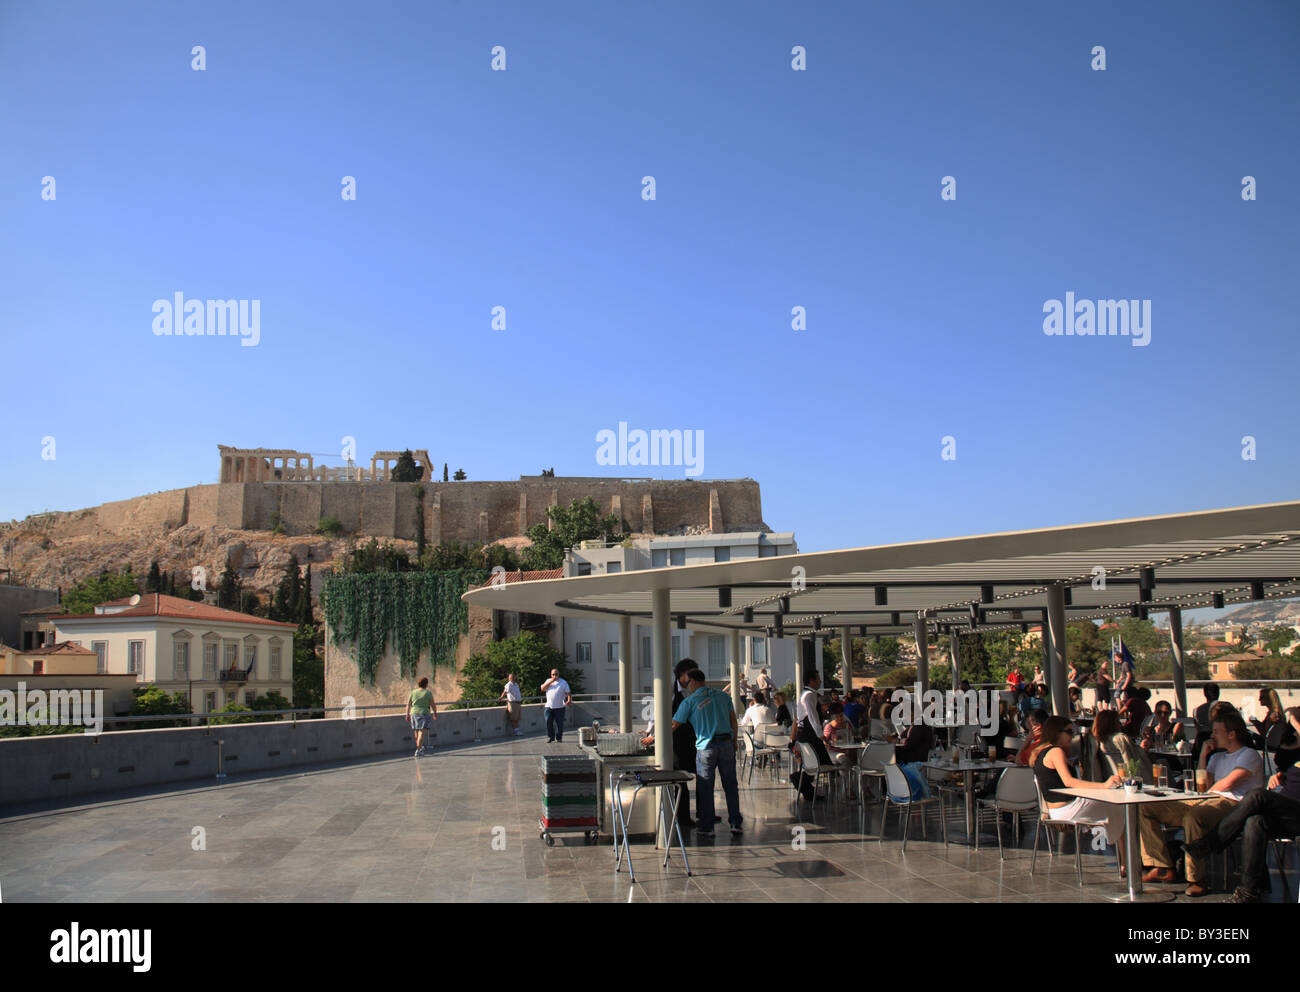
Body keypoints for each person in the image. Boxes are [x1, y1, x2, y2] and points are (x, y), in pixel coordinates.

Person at [1139, 708, 1265, 897]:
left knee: (1194, 817)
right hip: (1207, 798)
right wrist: (1204, 756)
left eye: (1216, 731)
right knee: (1146, 807)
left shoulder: (1248, 755)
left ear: (1231, 734)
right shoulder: (1217, 756)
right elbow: (1203, 783)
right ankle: (1162, 865)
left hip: (1232, 804)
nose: (1212, 735)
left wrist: (1205, 793)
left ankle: (1196, 879)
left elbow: (1228, 783)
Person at [1184, 707, 1300, 902]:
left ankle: (1210, 843)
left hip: (1296, 810)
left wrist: (1296, 721)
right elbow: (1291, 769)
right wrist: (1280, 775)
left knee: (1256, 796)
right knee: (1255, 821)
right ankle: (1249, 892)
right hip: (1285, 807)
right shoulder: (1292, 742)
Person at [1030, 716, 1127, 864]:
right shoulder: (1056, 751)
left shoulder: (1041, 752)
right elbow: (1069, 782)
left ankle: (1123, 859)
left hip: (1054, 810)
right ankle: (1127, 862)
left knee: (1114, 809)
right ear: (1057, 732)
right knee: (1119, 808)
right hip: (1067, 810)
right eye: (1069, 731)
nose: (1072, 735)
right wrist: (1104, 785)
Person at [672, 669, 743, 837]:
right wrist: (733, 741)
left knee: (705, 787)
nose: (687, 687)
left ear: (694, 682)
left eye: (688, 683)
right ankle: (735, 823)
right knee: (730, 785)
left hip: (706, 747)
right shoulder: (723, 696)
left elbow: (674, 724)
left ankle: (707, 826)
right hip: (726, 744)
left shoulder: (690, 701)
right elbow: (733, 720)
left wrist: (655, 737)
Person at [789, 669, 832, 801]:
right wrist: (820, 734)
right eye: (818, 678)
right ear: (812, 680)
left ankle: (807, 789)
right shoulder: (810, 695)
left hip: (804, 734)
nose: (820, 681)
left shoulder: (804, 694)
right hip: (810, 734)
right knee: (821, 762)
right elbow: (813, 716)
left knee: (812, 763)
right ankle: (800, 779)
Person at [1251, 688, 1300, 771]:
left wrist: (1255, 723)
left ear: (1269, 699)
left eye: (1262, 697)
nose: (1259, 700)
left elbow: (1265, 734)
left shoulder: (1273, 715)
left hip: (1271, 743)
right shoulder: (1276, 713)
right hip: (1275, 743)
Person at [406, 676, 437, 756]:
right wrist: (435, 713)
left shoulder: (413, 692)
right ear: (426, 684)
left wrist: (407, 714)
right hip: (424, 714)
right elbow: (433, 705)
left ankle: (420, 746)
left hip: (414, 713)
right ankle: (418, 750)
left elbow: (408, 704)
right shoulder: (428, 693)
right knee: (421, 733)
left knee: (416, 732)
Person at [540, 669, 571, 743]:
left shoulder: (563, 682)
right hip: (549, 706)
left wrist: (569, 700)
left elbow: (568, 692)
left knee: (559, 724)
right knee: (548, 721)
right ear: (551, 675)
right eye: (553, 674)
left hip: (559, 707)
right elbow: (542, 689)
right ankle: (551, 737)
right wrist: (551, 681)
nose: (554, 676)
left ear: (558, 674)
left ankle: (559, 737)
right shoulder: (548, 681)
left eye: (556, 674)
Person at [822, 702, 856, 767]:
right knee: (844, 759)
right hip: (833, 752)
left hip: (848, 750)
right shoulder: (829, 726)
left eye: (841, 716)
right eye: (837, 716)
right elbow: (824, 742)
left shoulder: (847, 724)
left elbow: (853, 735)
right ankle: (844, 776)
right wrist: (830, 743)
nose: (840, 718)